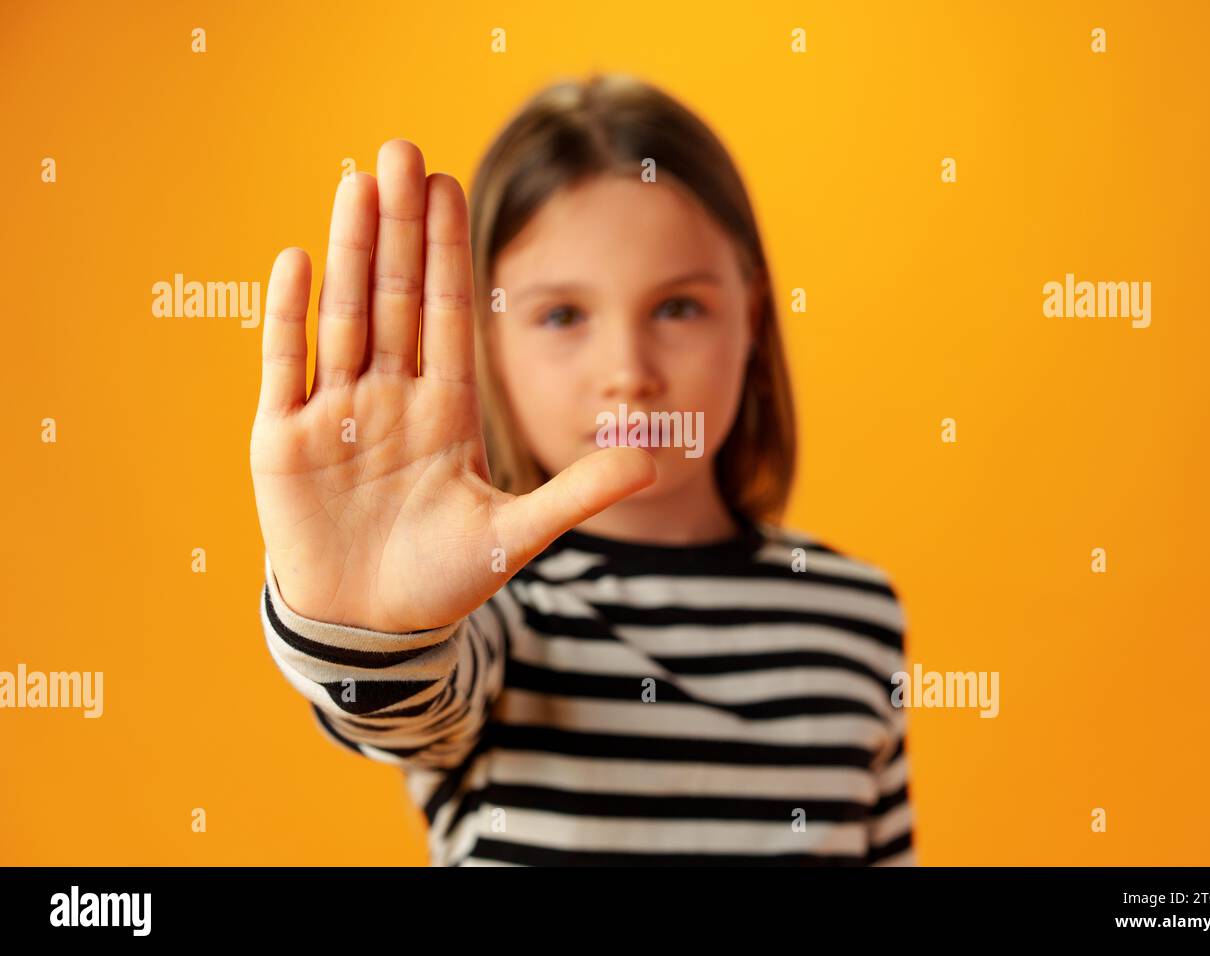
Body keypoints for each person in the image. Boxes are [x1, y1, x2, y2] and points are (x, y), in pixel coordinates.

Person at [250, 73, 914, 866]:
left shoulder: (858, 616)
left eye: (677, 307)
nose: (627, 371)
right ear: (487, 346)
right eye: (563, 316)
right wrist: (371, 625)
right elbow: (402, 706)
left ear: (754, 317)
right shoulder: (491, 609)